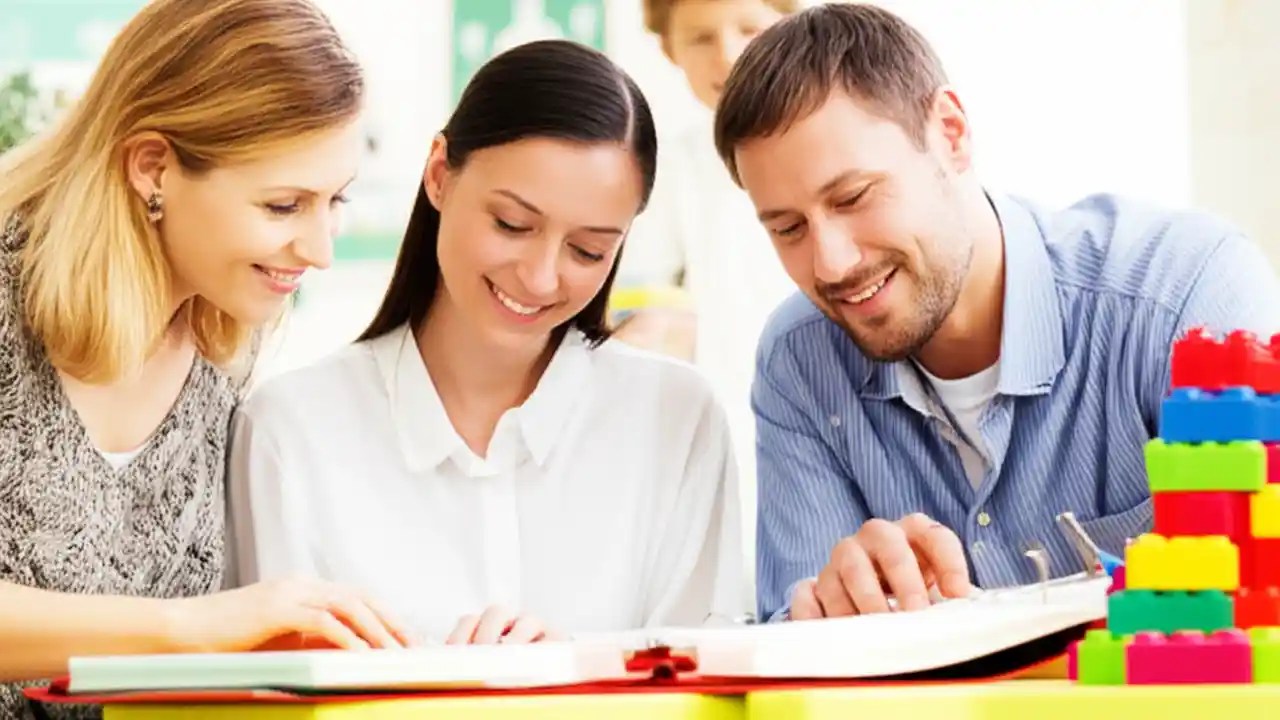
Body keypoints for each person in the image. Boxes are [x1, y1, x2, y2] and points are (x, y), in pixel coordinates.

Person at [711, 2, 1280, 622]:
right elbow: (797, 655)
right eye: (788, 228)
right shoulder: (799, 363)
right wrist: (828, 620)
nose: (830, 264)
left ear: (950, 135)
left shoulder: (1184, 296)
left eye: (853, 197)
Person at [226, 39, 746, 644]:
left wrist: (570, 690)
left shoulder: (677, 419)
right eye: (512, 225)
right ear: (440, 175)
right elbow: (271, 695)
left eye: (589, 250)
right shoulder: (292, 431)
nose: (541, 277)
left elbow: (706, 684)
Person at [0, 1, 410, 715]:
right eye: (284, 206)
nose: (320, 250)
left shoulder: (224, 343)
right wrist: (192, 627)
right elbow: (184, 627)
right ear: (152, 166)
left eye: (334, 200)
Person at [612, 0, 799, 594]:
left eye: (749, 28)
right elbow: (646, 314)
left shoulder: (837, 151)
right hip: (725, 437)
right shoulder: (665, 175)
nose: (727, 54)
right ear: (668, 51)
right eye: (699, 39)